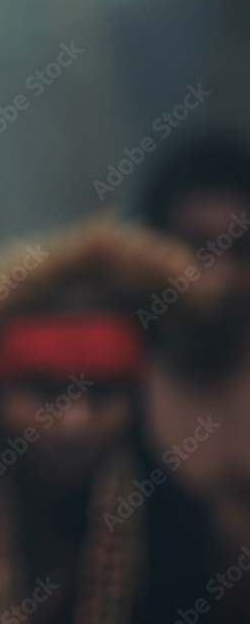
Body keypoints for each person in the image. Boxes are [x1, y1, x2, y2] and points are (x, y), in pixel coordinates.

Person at [0, 220, 216, 623]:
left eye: (101, 392)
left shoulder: (189, 544)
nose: (74, 421)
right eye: (46, 391)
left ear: (137, 400)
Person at [137, 135, 250, 619]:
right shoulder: (108, 392)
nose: (219, 275)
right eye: (196, 247)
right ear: (150, 250)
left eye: (241, 249)